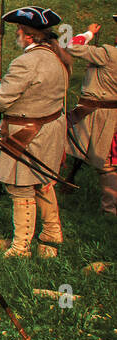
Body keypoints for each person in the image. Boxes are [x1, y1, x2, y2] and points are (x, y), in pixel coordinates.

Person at [0, 7, 71, 258]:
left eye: (19, 31)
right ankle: (51, 231)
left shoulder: (26, 62)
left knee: (21, 188)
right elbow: (36, 90)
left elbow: (0, 102)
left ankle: (20, 247)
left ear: (28, 35)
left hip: (27, 133)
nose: (17, 34)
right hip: (49, 128)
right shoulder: (55, 57)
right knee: (43, 181)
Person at [65, 17, 117, 214]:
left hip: (97, 114)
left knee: (107, 165)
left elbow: (70, 45)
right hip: (110, 113)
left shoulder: (108, 53)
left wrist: (89, 33)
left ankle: (109, 209)